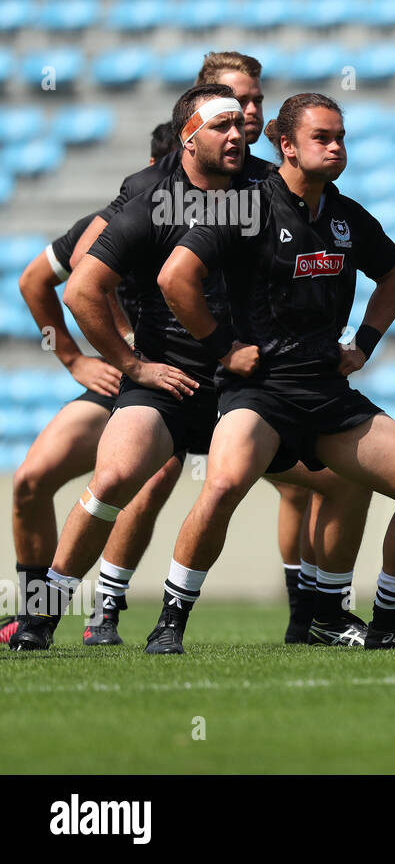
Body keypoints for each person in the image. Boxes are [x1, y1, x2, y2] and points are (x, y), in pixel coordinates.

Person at [152, 92, 395, 653]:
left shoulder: (347, 215)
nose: (336, 147)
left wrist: (362, 343)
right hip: (260, 391)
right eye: (323, 138)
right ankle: (170, 621)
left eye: (341, 138)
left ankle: (377, 621)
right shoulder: (245, 206)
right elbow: (175, 278)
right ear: (286, 146)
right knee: (221, 487)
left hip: (326, 390)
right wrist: (221, 349)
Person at [9, 84, 251, 650]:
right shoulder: (132, 208)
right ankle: (40, 616)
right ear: (181, 148)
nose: (240, 131)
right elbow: (53, 286)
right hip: (152, 376)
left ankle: (315, 614)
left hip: (241, 385)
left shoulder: (261, 196)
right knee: (85, 479)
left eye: (246, 119)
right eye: (227, 123)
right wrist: (86, 358)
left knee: (320, 482)